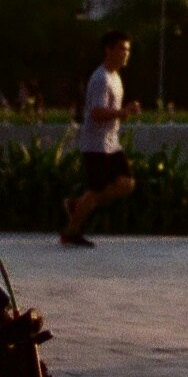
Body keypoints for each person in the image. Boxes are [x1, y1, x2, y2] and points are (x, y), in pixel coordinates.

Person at [60, 33, 138, 246]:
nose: (126, 54)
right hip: (96, 144)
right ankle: (71, 232)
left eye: (127, 49)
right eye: (122, 49)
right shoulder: (101, 78)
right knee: (96, 190)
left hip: (111, 143)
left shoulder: (116, 77)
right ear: (108, 50)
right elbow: (95, 113)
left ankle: (76, 204)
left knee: (126, 183)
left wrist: (123, 112)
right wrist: (122, 112)